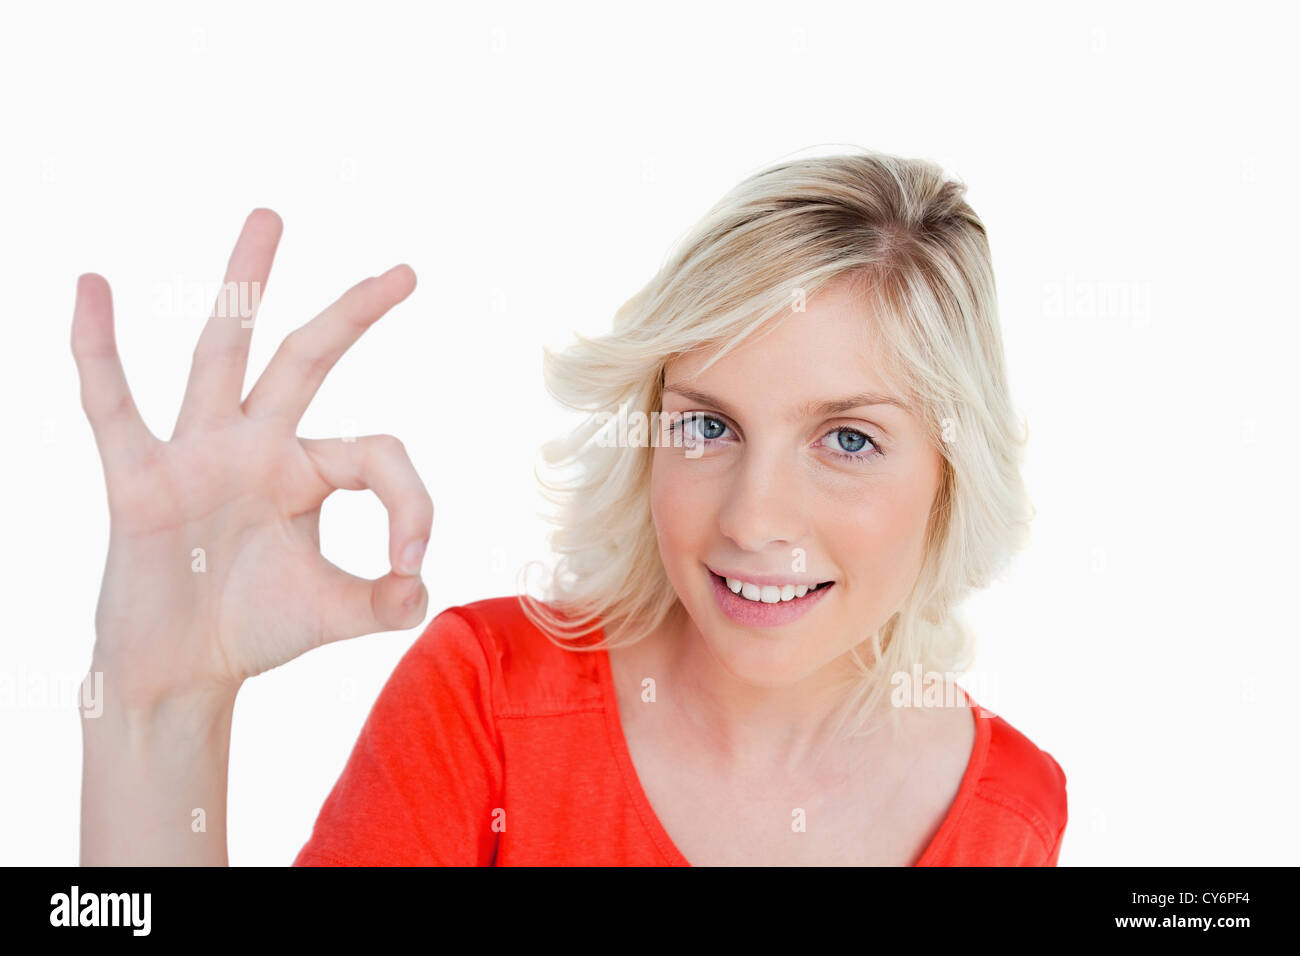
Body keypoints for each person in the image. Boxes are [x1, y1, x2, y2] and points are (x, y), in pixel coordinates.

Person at [74, 150, 1067, 866]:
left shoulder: (1008, 816)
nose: (754, 519)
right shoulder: (486, 705)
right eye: (707, 426)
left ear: (950, 468)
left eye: (848, 439)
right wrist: (158, 707)